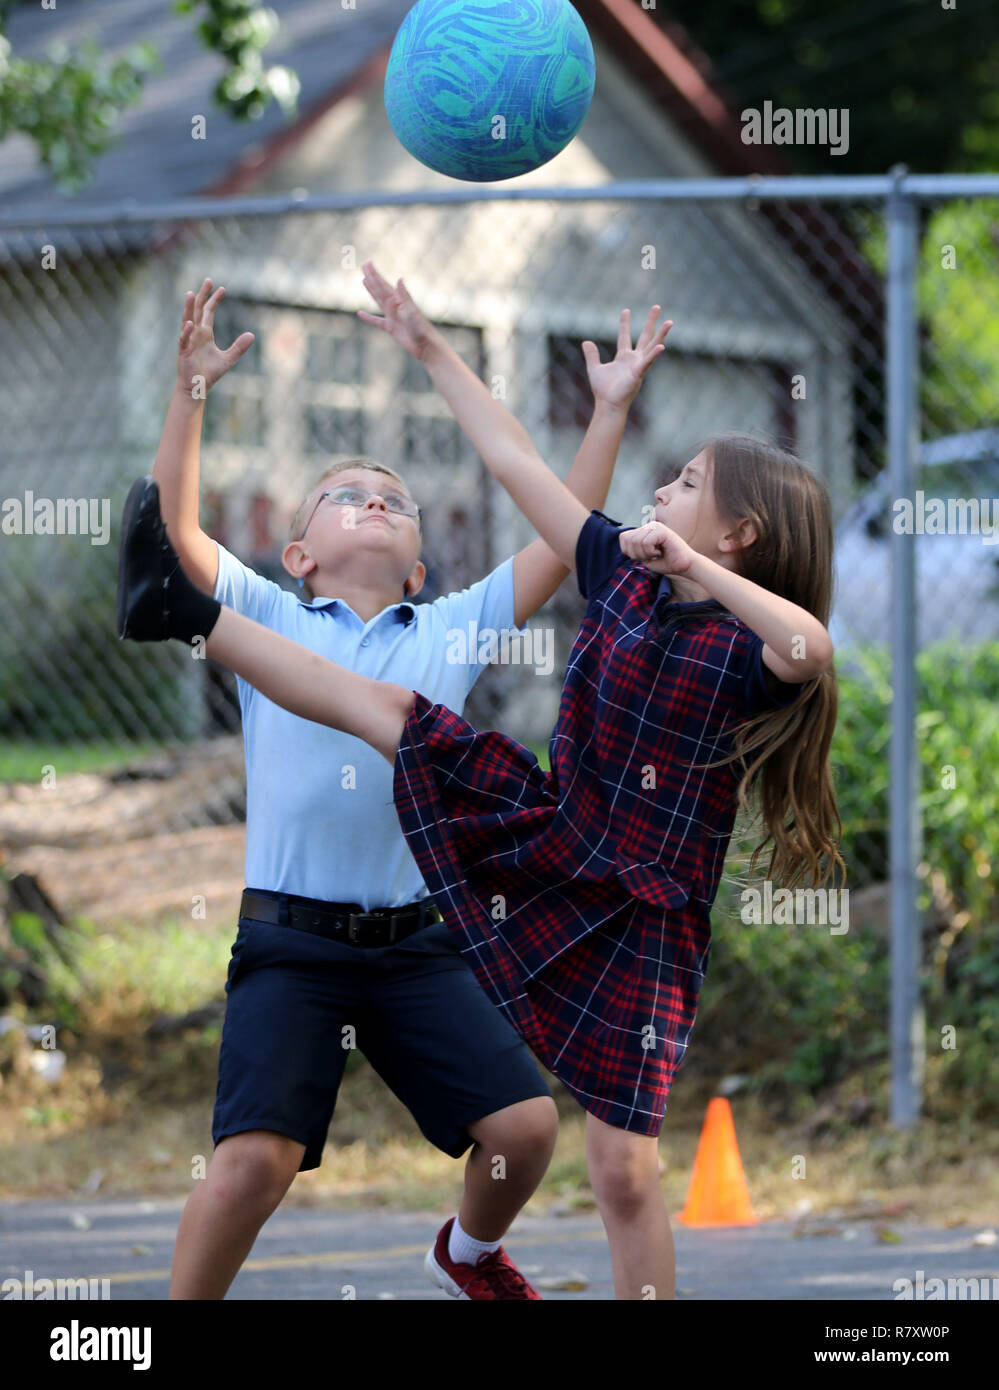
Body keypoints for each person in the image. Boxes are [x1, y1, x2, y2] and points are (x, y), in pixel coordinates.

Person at [118, 266, 843, 1300]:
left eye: (395, 500)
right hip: (406, 894)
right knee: (254, 1160)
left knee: (570, 1148)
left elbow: (779, 631)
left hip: (531, 921)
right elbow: (504, 463)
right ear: (298, 554)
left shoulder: (519, 624)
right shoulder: (292, 610)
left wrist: (627, 451)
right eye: (346, 497)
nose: (373, 500)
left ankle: (467, 1251)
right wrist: (393, 352)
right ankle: (175, 615)